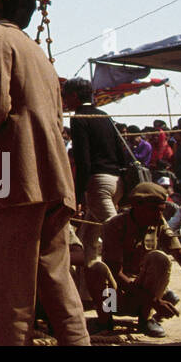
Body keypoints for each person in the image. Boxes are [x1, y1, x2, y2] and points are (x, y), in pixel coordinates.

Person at [0, 0, 90, 346]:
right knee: (57, 282)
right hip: (52, 180)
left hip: (14, 181)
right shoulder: (35, 50)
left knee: (9, 294)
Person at [86, 182, 181, 337]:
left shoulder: (159, 223)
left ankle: (145, 319)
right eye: (154, 210)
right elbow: (116, 273)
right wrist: (155, 302)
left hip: (142, 297)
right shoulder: (114, 226)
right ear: (137, 205)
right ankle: (105, 320)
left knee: (160, 259)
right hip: (114, 299)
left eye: (161, 211)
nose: (159, 216)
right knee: (96, 269)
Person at [65, 76, 125, 263]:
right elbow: (120, 150)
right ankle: (86, 290)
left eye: (65, 96)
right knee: (87, 238)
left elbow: (83, 161)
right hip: (116, 181)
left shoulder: (79, 118)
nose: (64, 100)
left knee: (118, 234)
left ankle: (147, 283)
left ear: (74, 96)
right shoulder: (104, 116)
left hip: (98, 184)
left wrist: (78, 195)